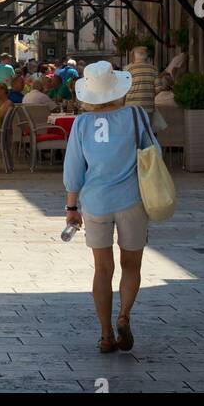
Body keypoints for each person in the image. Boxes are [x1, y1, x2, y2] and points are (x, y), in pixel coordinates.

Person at [63, 60, 156, 354]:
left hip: (95, 203)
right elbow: (155, 153)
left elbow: (74, 169)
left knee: (102, 269)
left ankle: (105, 335)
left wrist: (71, 207)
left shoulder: (81, 124)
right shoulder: (135, 115)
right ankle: (124, 315)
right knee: (131, 265)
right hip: (131, 200)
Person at [124, 45, 157, 114]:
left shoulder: (127, 69)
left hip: (131, 107)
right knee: (146, 124)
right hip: (148, 106)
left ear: (133, 57)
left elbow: (123, 89)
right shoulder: (153, 69)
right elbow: (158, 88)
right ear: (146, 56)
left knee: (132, 125)